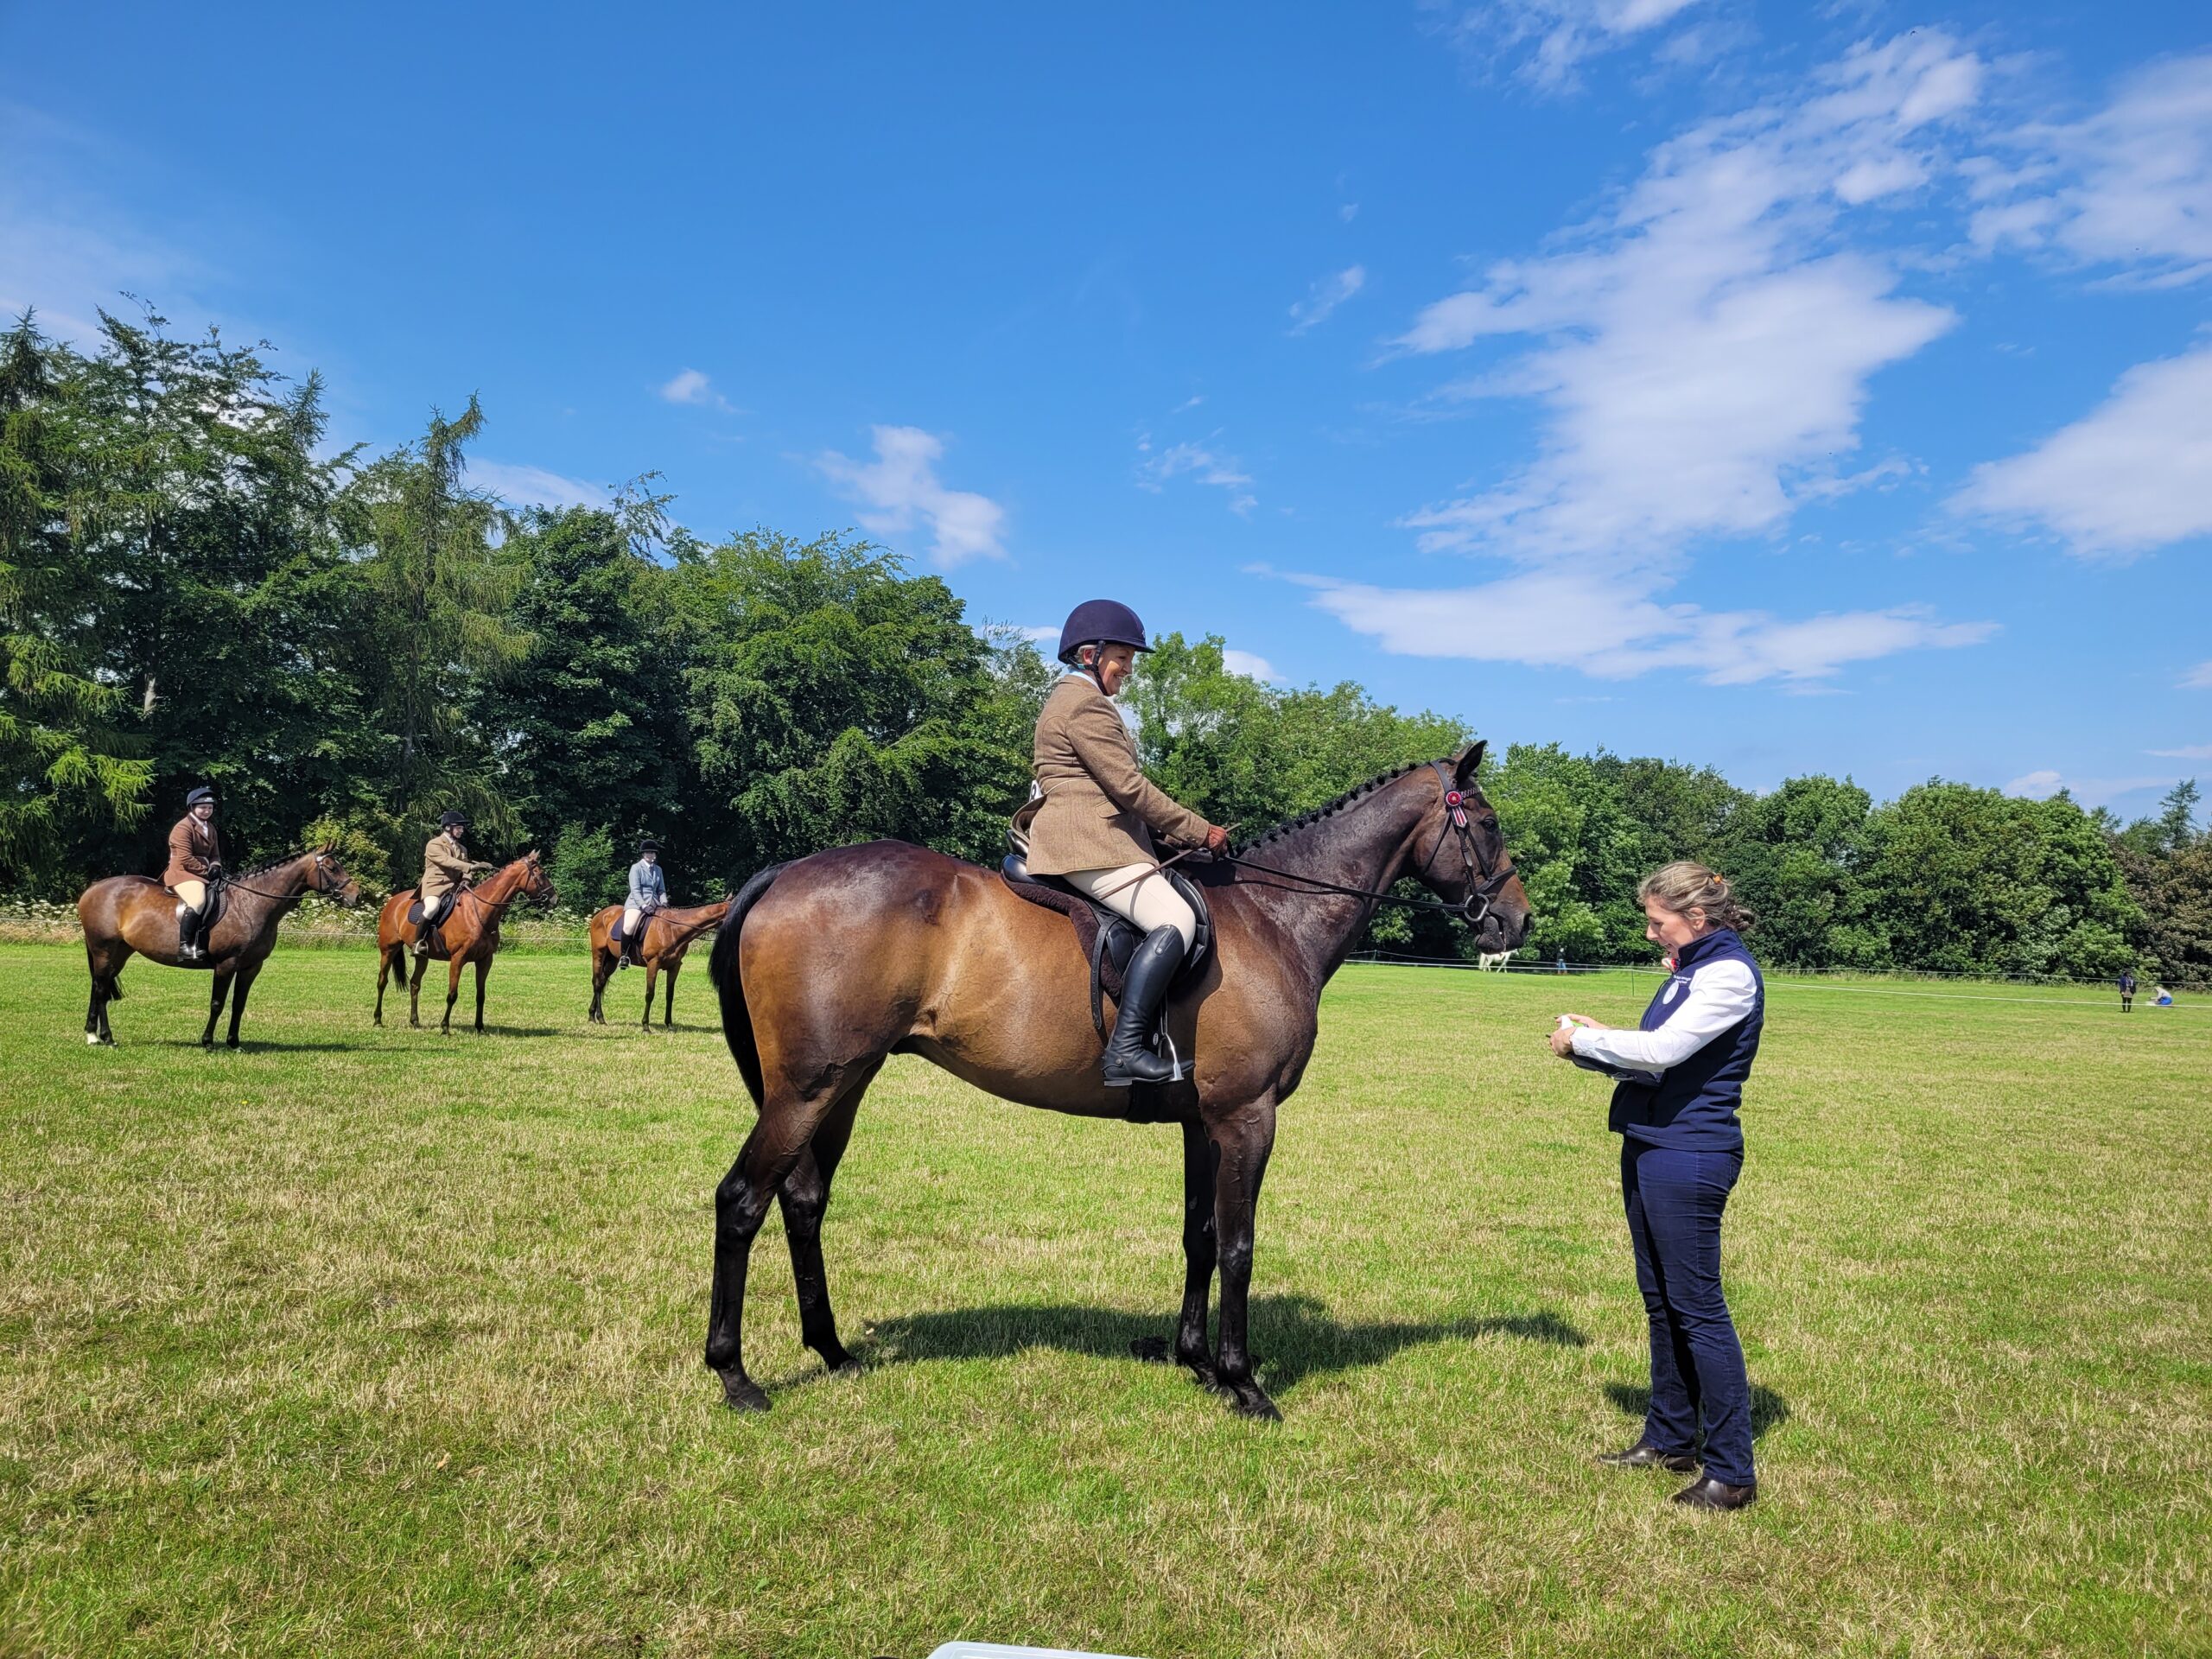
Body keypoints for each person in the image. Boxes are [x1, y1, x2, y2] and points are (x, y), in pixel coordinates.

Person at [1548, 861, 1765, 1512]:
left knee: (1698, 1310)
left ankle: (1732, 1472)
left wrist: (1589, 1040)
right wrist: (1596, 1045)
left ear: (1696, 918)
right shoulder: (1693, 971)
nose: (1651, 935)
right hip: (1652, 1147)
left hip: (1690, 1156)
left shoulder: (1727, 975)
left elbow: (1663, 1052)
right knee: (1661, 1302)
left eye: (1657, 922)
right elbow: (1653, 1057)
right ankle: (1670, 1438)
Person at [1029, 600, 1230, 1086]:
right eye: (1122, 658)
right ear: (1088, 656)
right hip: (1086, 841)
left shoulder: (1079, 702)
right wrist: (1199, 830)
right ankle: (1125, 1049)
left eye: (1130, 661)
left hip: (1097, 834)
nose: (1128, 671)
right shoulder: (1083, 705)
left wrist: (1163, 834)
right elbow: (1129, 788)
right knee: (1176, 918)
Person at [415, 810, 492, 957]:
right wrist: (472, 866)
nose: (461, 831)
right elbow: (447, 861)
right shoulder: (434, 844)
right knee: (432, 908)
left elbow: (465, 868)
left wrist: (466, 879)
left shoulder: (462, 849)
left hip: (455, 887)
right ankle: (418, 943)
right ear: (448, 827)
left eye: (462, 828)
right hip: (435, 886)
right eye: (459, 827)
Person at [163, 785, 225, 960]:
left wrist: (216, 867)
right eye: (203, 807)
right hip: (183, 873)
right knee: (198, 901)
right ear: (192, 808)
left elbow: (215, 854)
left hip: (204, 872)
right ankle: (185, 946)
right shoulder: (183, 828)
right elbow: (185, 858)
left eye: (210, 808)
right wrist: (207, 872)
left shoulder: (210, 828)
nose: (207, 811)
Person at [617, 838, 667, 969]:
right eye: (648, 853)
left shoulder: (658, 870)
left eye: (652, 853)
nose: (650, 855)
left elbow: (661, 889)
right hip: (636, 903)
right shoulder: (636, 868)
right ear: (643, 854)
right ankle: (624, 955)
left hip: (655, 903)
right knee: (629, 926)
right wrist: (644, 906)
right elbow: (635, 890)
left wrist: (664, 902)